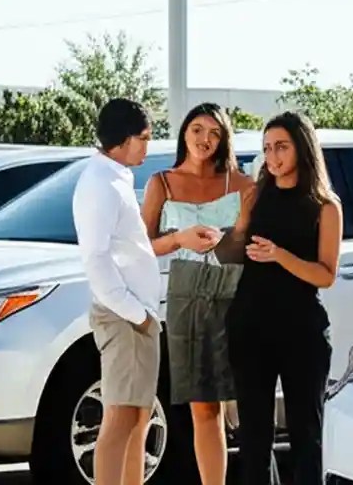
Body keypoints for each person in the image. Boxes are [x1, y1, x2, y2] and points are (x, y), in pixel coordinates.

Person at [73, 98, 217, 485]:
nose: (147, 147)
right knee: (120, 418)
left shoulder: (114, 177)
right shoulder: (99, 184)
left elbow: (127, 248)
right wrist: (134, 313)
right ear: (122, 139)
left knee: (138, 416)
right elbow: (96, 257)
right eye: (143, 138)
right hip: (125, 317)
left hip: (138, 316)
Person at [224, 111, 341, 485]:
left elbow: (326, 275)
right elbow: (229, 255)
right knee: (254, 440)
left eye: (281, 147)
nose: (272, 157)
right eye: (267, 148)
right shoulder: (256, 197)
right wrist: (241, 223)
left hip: (301, 332)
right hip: (250, 329)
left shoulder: (325, 206)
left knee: (307, 435)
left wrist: (279, 255)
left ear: (302, 148)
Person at [141, 103, 254, 485]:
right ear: (184, 133)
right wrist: (178, 240)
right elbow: (141, 244)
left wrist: (227, 239)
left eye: (214, 133)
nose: (205, 139)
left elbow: (247, 243)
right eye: (197, 129)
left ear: (223, 140)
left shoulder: (242, 185)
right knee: (204, 407)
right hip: (186, 294)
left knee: (244, 403)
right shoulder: (162, 182)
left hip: (235, 294)